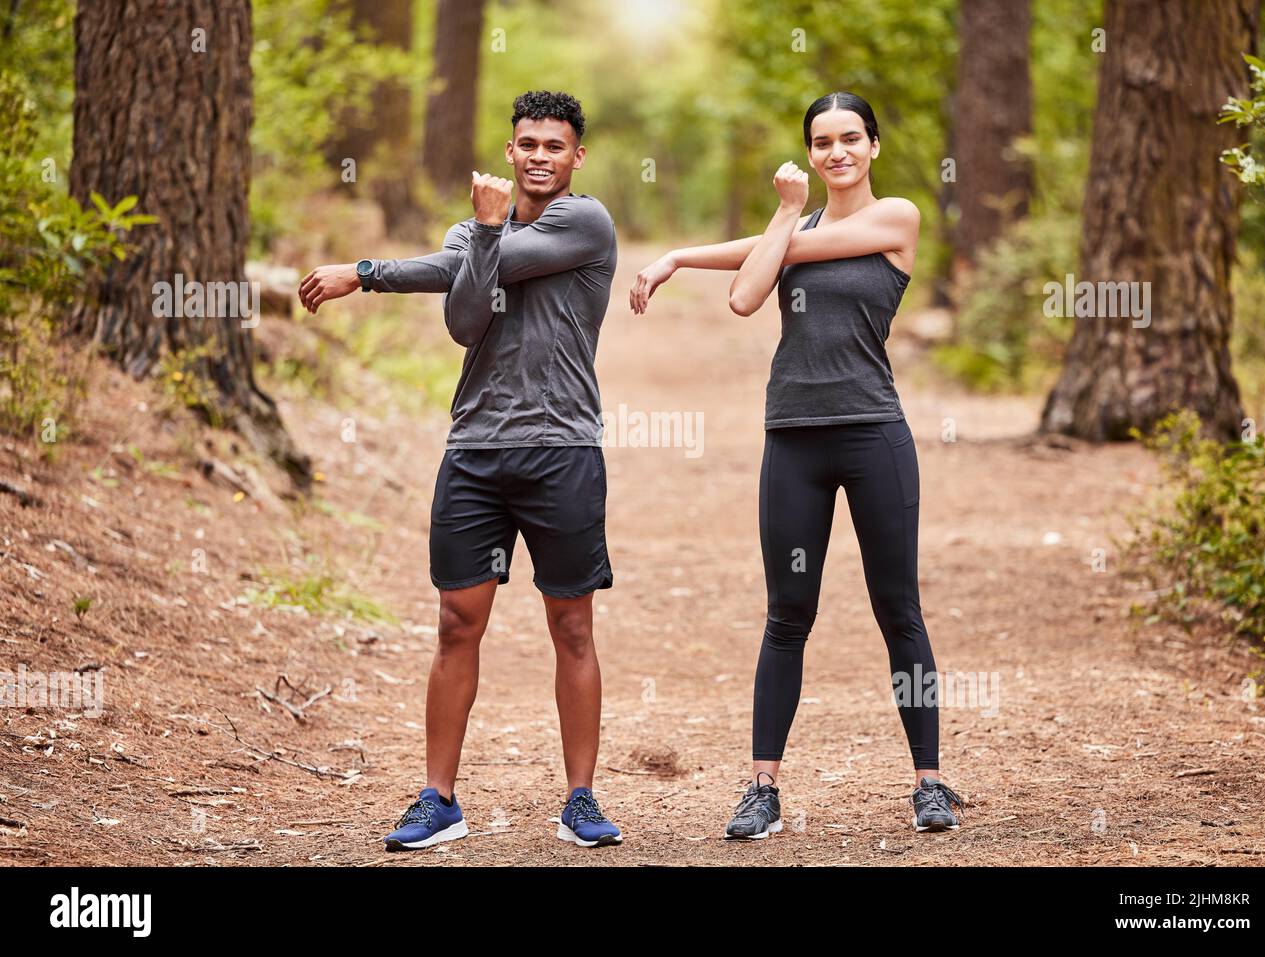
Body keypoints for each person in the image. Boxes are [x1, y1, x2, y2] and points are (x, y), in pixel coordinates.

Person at [630, 92, 965, 837]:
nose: (836, 151)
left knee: (898, 609)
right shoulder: (797, 226)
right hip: (794, 437)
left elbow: (755, 279)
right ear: (809, 152)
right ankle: (762, 787)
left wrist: (781, 217)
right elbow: (753, 279)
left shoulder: (897, 218)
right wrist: (678, 256)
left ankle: (930, 783)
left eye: (850, 138)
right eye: (822, 141)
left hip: (873, 432)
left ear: (873, 146)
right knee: (788, 614)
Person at [298, 91, 623, 850]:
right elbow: (464, 319)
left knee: (571, 623)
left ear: (577, 157)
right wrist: (475, 234)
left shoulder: (587, 222)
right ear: (508, 153)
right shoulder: (470, 231)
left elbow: (489, 261)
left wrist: (367, 272)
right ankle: (438, 798)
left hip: (562, 449)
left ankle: (580, 798)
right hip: (475, 450)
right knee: (455, 624)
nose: (540, 156)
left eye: (554, 145)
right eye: (527, 144)